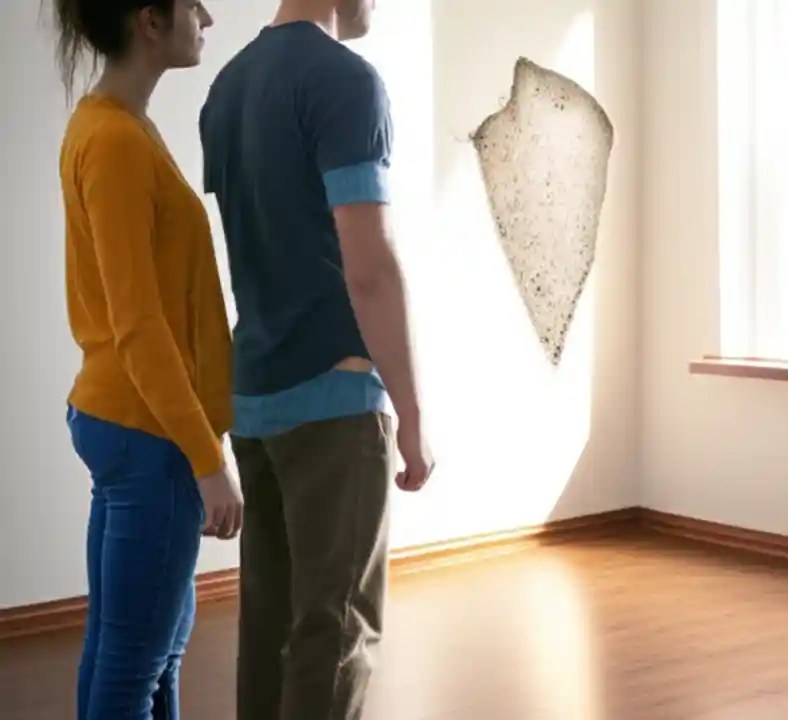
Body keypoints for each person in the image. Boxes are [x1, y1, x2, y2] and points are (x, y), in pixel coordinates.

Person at [199, 0, 435, 717]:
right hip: (333, 401)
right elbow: (369, 266)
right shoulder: (345, 82)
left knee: (272, 628)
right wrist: (416, 414)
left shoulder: (227, 89)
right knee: (334, 633)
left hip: (257, 399)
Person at [51, 1, 244, 718]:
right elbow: (138, 323)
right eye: (193, 3)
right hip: (148, 432)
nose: (208, 17)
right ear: (148, 21)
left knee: (131, 650)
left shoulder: (112, 126)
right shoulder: (115, 142)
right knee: (137, 661)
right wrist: (206, 460)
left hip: (127, 422)